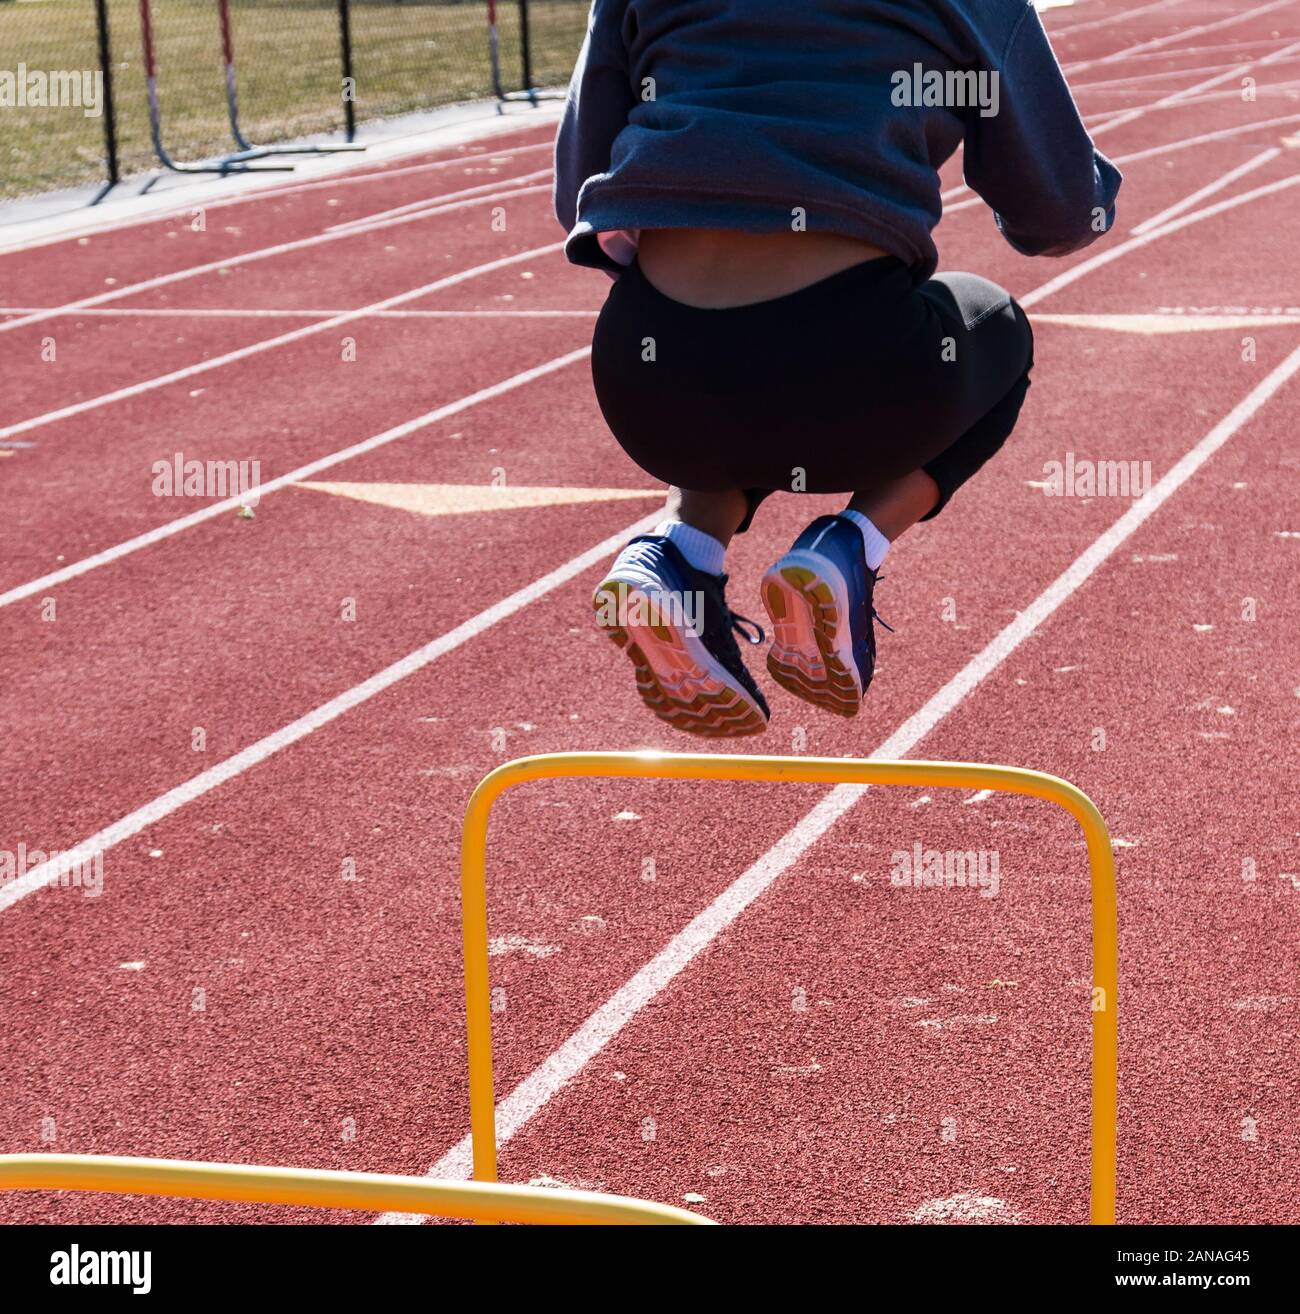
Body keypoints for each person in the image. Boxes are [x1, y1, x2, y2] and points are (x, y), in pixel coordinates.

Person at [557, 0, 1121, 737]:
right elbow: (1060, 213)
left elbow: (580, 188)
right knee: (995, 324)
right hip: (856, 376)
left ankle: (677, 553)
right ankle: (848, 547)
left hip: (645, 375)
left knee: (739, 357)